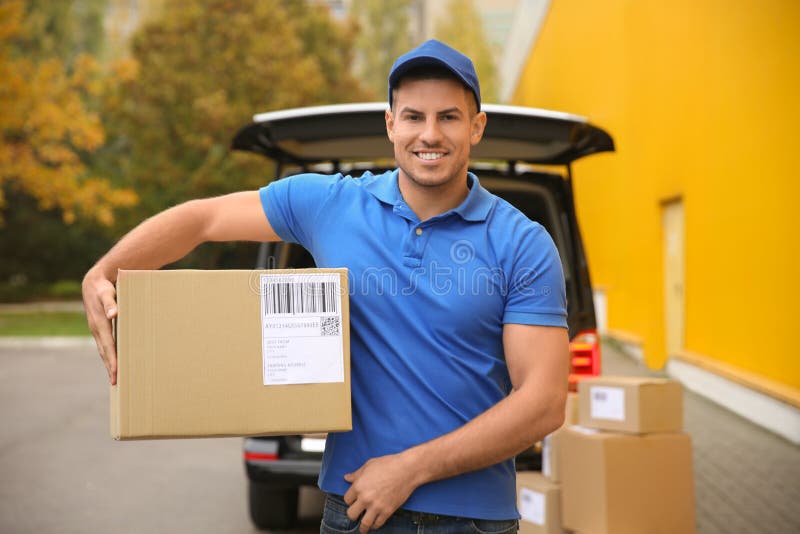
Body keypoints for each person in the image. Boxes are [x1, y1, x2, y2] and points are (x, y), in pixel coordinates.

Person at [83, 40, 569, 533]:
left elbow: (544, 403)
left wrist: (410, 469)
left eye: (449, 117)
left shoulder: (522, 243)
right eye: (413, 116)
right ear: (390, 124)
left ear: (476, 127)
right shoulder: (331, 204)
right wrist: (102, 273)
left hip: (475, 521)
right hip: (355, 512)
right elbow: (201, 220)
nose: (429, 134)